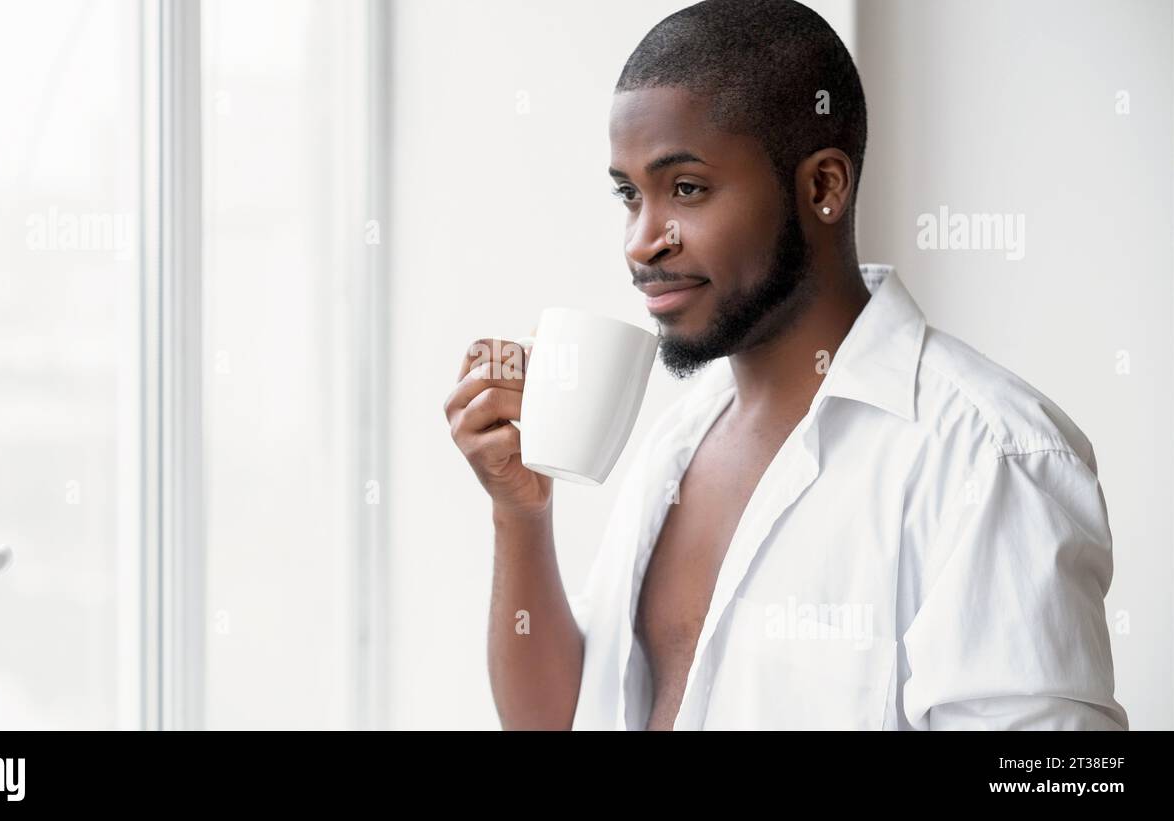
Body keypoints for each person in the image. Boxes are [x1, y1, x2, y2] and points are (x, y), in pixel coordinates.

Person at [443, 0, 1127, 730]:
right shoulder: (677, 443)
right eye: (629, 194)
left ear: (823, 187)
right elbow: (556, 719)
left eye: (687, 189)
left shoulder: (986, 459)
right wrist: (520, 513)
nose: (643, 241)